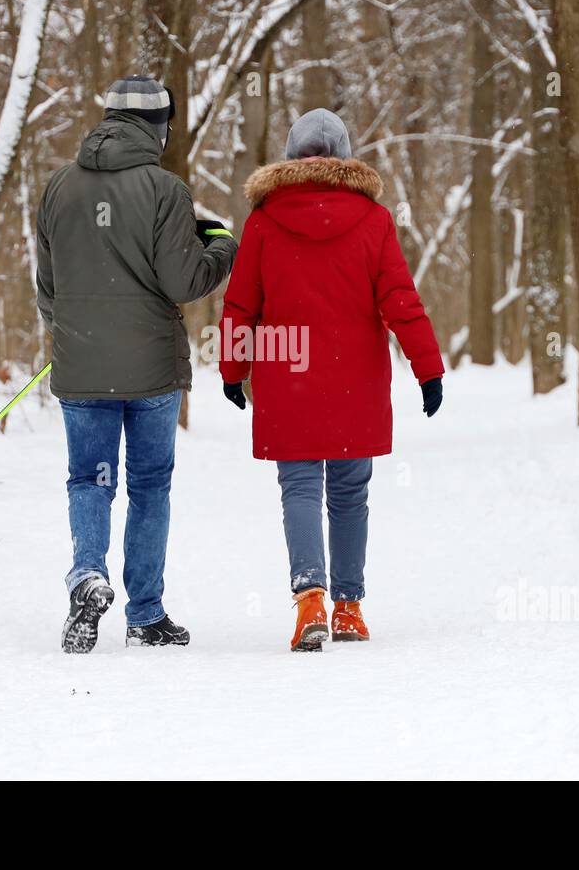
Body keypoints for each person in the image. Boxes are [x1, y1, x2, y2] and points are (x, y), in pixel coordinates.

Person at [218, 108, 444, 652]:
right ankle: (347, 608)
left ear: (293, 159)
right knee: (349, 494)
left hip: (284, 374)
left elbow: (242, 303)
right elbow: (400, 300)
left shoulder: (264, 220)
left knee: (298, 487)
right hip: (355, 378)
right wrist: (427, 368)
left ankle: (309, 601)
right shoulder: (373, 220)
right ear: (344, 158)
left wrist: (234, 368)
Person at [35, 75, 237, 652]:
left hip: (81, 364)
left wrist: (75, 333)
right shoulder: (166, 190)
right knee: (149, 487)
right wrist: (220, 242)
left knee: (89, 480)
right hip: (150, 368)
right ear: (158, 126)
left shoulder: (58, 187)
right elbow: (185, 279)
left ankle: (87, 575)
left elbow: (48, 288)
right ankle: (145, 614)